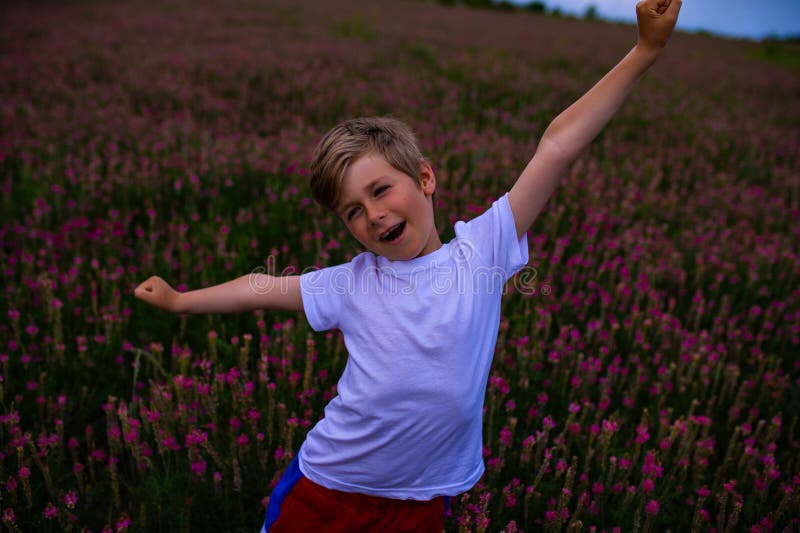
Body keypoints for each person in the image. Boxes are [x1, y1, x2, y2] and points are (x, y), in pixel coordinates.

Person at [134, 1, 681, 530]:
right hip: (328, 487)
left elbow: (556, 146)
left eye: (381, 190)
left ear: (424, 178)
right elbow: (261, 288)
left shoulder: (481, 251)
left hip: (420, 501)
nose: (373, 216)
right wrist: (183, 301)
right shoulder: (352, 283)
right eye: (353, 211)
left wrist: (644, 51)